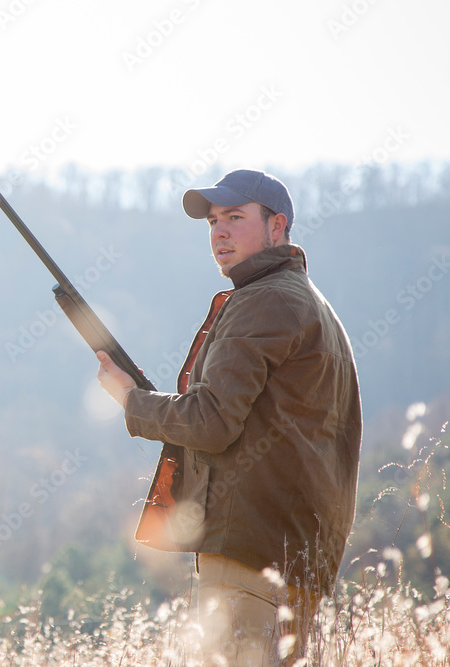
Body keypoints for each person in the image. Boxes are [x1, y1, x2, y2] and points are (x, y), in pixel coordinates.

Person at [96, 169, 362, 666]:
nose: (218, 231)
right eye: (213, 221)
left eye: (235, 218)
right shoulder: (305, 301)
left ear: (277, 226)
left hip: (248, 557)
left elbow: (210, 421)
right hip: (292, 557)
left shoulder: (266, 300)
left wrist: (132, 401)